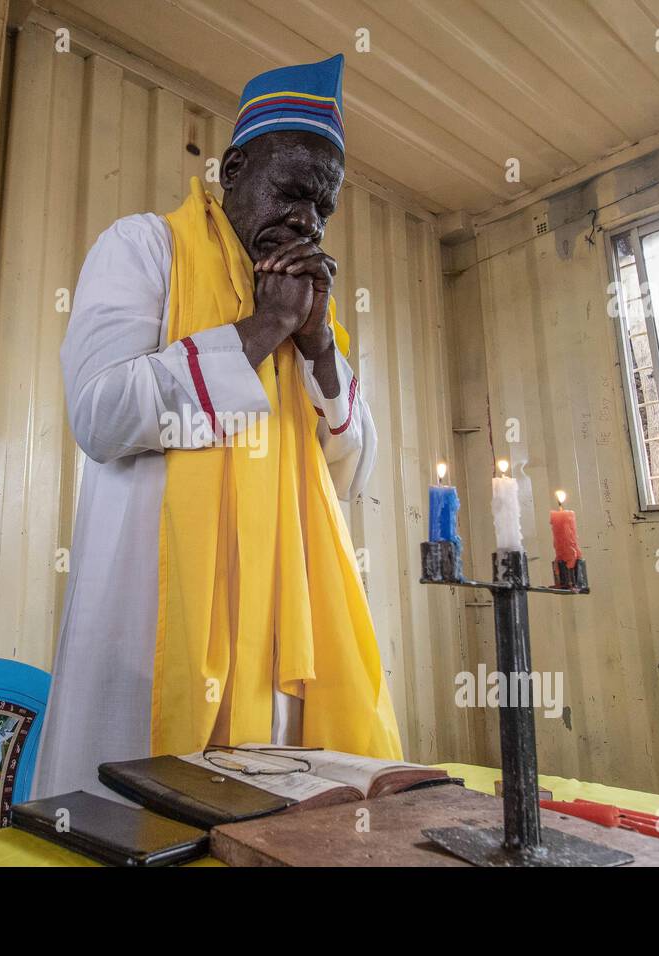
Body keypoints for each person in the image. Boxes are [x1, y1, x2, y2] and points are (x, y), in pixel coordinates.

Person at [33, 54, 402, 800]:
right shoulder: (143, 247)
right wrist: (260, 330)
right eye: (293, 192)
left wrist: (318, 346)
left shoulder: (308, 311)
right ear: (233, 169)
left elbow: (347, 476)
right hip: (150, 627)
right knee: (135, 824)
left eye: (323, 208)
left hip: (277, 652)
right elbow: (100, 413)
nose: (307, 219)